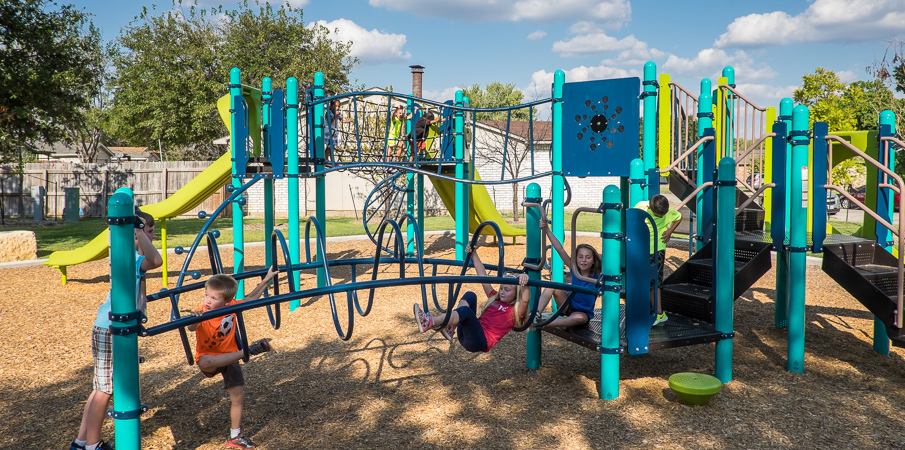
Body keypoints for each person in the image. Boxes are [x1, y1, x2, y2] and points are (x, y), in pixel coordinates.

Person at [70, 210, 163, 450]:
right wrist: (139, 229)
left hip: (104, 326)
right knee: (106, 390)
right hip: (113, 329)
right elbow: (156, 261)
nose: (153, 237)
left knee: (99, 388)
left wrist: (138, 232)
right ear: (134, 234)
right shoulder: (132, 258)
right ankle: (93, 445)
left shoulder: (124, 256)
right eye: (150, 232)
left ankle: (81, 442)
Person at [187, 266, 279, 449]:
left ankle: (235, 436)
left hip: (230, 358)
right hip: (210, 359)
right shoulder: (201, 311)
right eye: (206, 295)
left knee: (238, 397)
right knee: (204, 361)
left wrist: (267, 279)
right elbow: (190, 328)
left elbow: (252, 298)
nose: (207, 301)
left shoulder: (232, 307)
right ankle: (248, 351)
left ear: (227, 301)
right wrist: (196, 319)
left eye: (214, 298)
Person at [413, 245, 530, 352]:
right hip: (468, 334)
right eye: (501, 288)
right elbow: (483, 276)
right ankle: (451, 327)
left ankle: (430, 321)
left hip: (479, 341)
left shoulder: (515, 311)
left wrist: (525, 282)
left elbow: (525, 300)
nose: (502, 292)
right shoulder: (495, 298)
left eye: (507, 290)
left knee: (466, 312)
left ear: (516, 294)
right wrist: (474, 253)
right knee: (470, 295)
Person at [532, 218, 601, 329]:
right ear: (575, 258)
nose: (583, 260)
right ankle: (535, 314)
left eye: (588, 257)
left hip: (582, 313)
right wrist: (546, 230)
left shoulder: (597, 275)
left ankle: (541, 324)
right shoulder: (574, 268)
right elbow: (559, 249)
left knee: (578, 319)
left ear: (593, 261)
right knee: (552, 285)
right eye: (580, 257)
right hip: (567, 304)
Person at [635, 194, 683, 326]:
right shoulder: (641, 206)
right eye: (658, 215)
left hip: (657, 250)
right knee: (643, 280)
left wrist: (670, 231)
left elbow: (679, 217)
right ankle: (649, 309)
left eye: (663, 215)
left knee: (655, 282)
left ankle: (659, 313)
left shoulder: (668, 211)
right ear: (650, 207)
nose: (661, 217)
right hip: (643, 249)